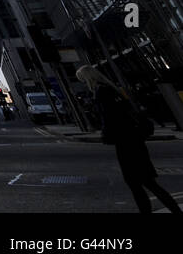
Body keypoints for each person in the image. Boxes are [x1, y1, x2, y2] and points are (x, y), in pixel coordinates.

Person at [76, 66, 181, 214]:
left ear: (87, 78)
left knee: (137, 183)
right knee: (145, 182)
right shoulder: (112, 89)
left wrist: (105, 133)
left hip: (125, 141)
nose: (82, 82)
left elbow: (110, 117)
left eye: (81, 79)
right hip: (134, 139)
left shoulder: (101, 92)